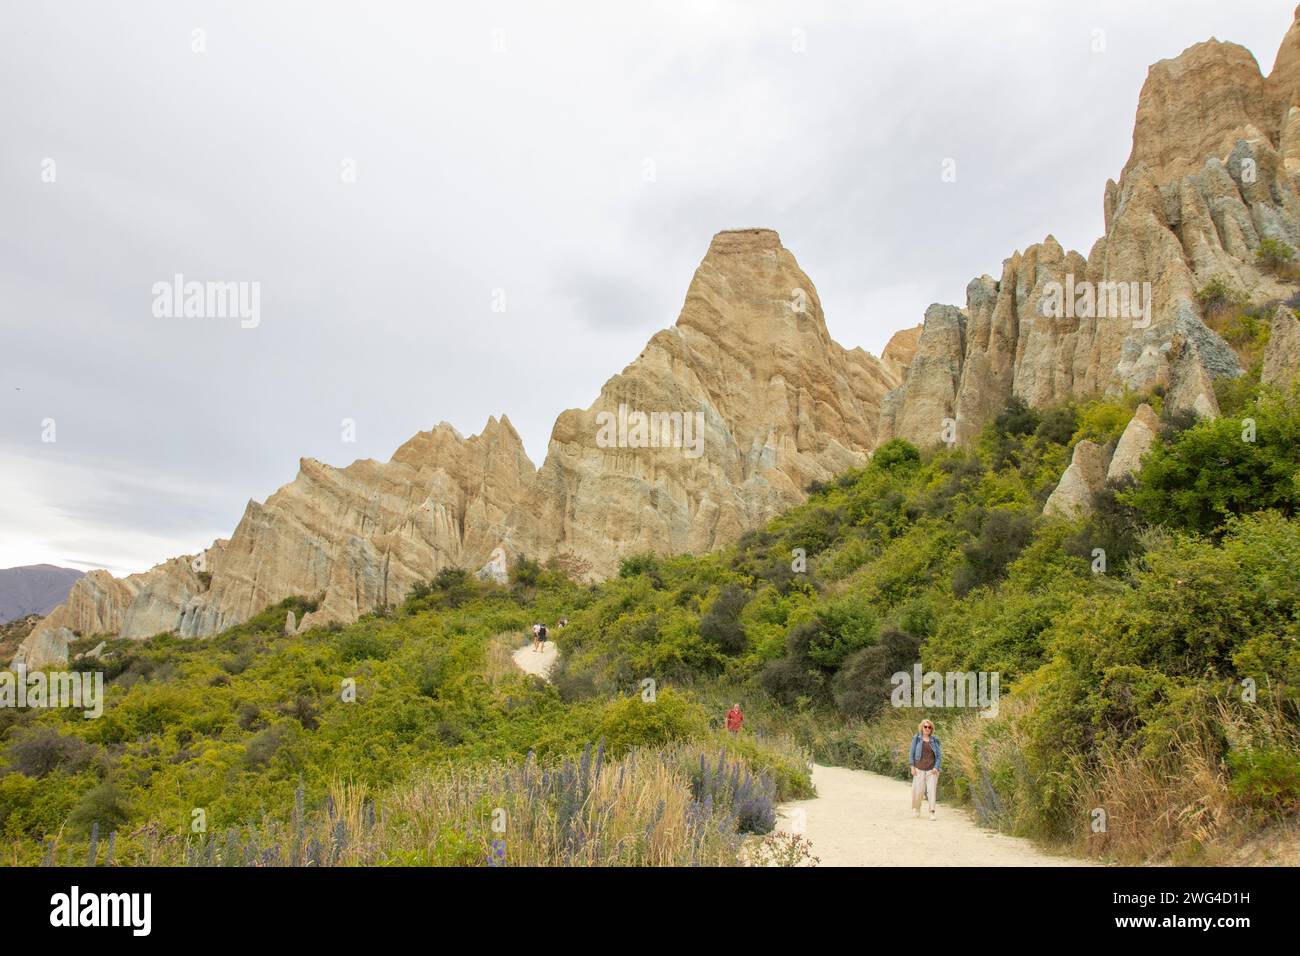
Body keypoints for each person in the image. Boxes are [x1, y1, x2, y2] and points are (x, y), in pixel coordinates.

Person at [909, 719, 941, 819]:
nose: (927, 728)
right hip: (919, 768)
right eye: (925, 726)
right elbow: (911, 753)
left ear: (931, 729)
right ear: (922, 727)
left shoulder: (934, 740)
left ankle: (932, 812)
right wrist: (912, 767)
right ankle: (917, 809)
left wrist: (936, 767)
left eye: (929, 727)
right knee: (918, 791)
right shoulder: (916, 738)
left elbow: (939, 756)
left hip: (932, 770)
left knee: (931, 791)